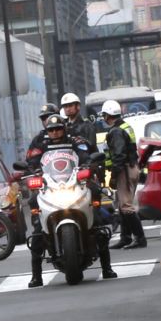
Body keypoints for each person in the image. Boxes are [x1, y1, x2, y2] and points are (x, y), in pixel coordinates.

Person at [17, 113, 115, 285]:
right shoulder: (41, 143)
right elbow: (31, 161)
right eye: (51, 129)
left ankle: (107, 267)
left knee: (96, 207)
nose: (55, 132)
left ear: (63, 128)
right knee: (37, 223)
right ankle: (36, 275)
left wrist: (87, 166)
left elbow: (86, 155)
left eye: (58, 128)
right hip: (50, 186)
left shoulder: (75, 141)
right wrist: (32, 171)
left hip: (74, 182)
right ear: (47, 131)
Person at [101, 102, 147, 249]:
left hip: (124, 170)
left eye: (104, 115)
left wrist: (114, 176)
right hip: (131, 167)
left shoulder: (116, 131)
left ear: (107, 115)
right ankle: (125, 238)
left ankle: (140, 238)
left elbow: (119, 155)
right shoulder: (124, 126)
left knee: (126, 206)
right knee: (122, 206)